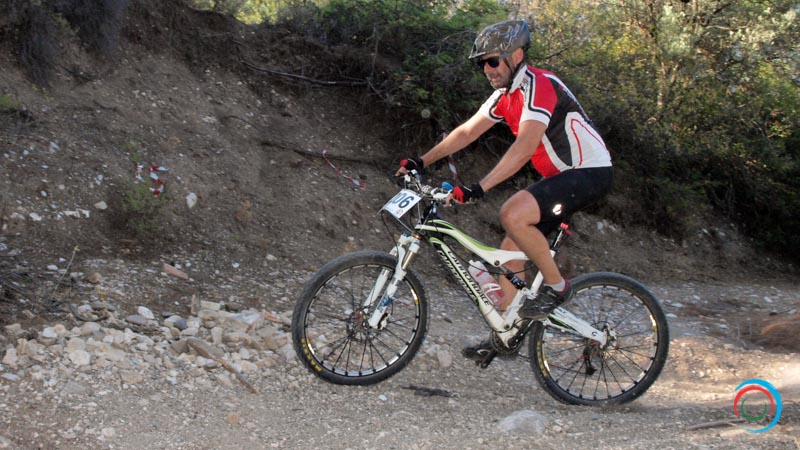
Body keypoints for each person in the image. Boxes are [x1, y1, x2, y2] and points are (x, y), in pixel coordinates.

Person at [396, 19, 613, 360]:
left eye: (493, 61)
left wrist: (479, 188)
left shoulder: (540, 85)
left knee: (512, 213)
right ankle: (507, 334)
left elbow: (525, 146)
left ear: (517, 56)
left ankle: (557, 288)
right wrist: (421, 161)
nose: (487, 69)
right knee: (510, 253)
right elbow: (466, 132)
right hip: (562, 178)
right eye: (482, 64)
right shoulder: (504, 97)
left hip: (589, 171)